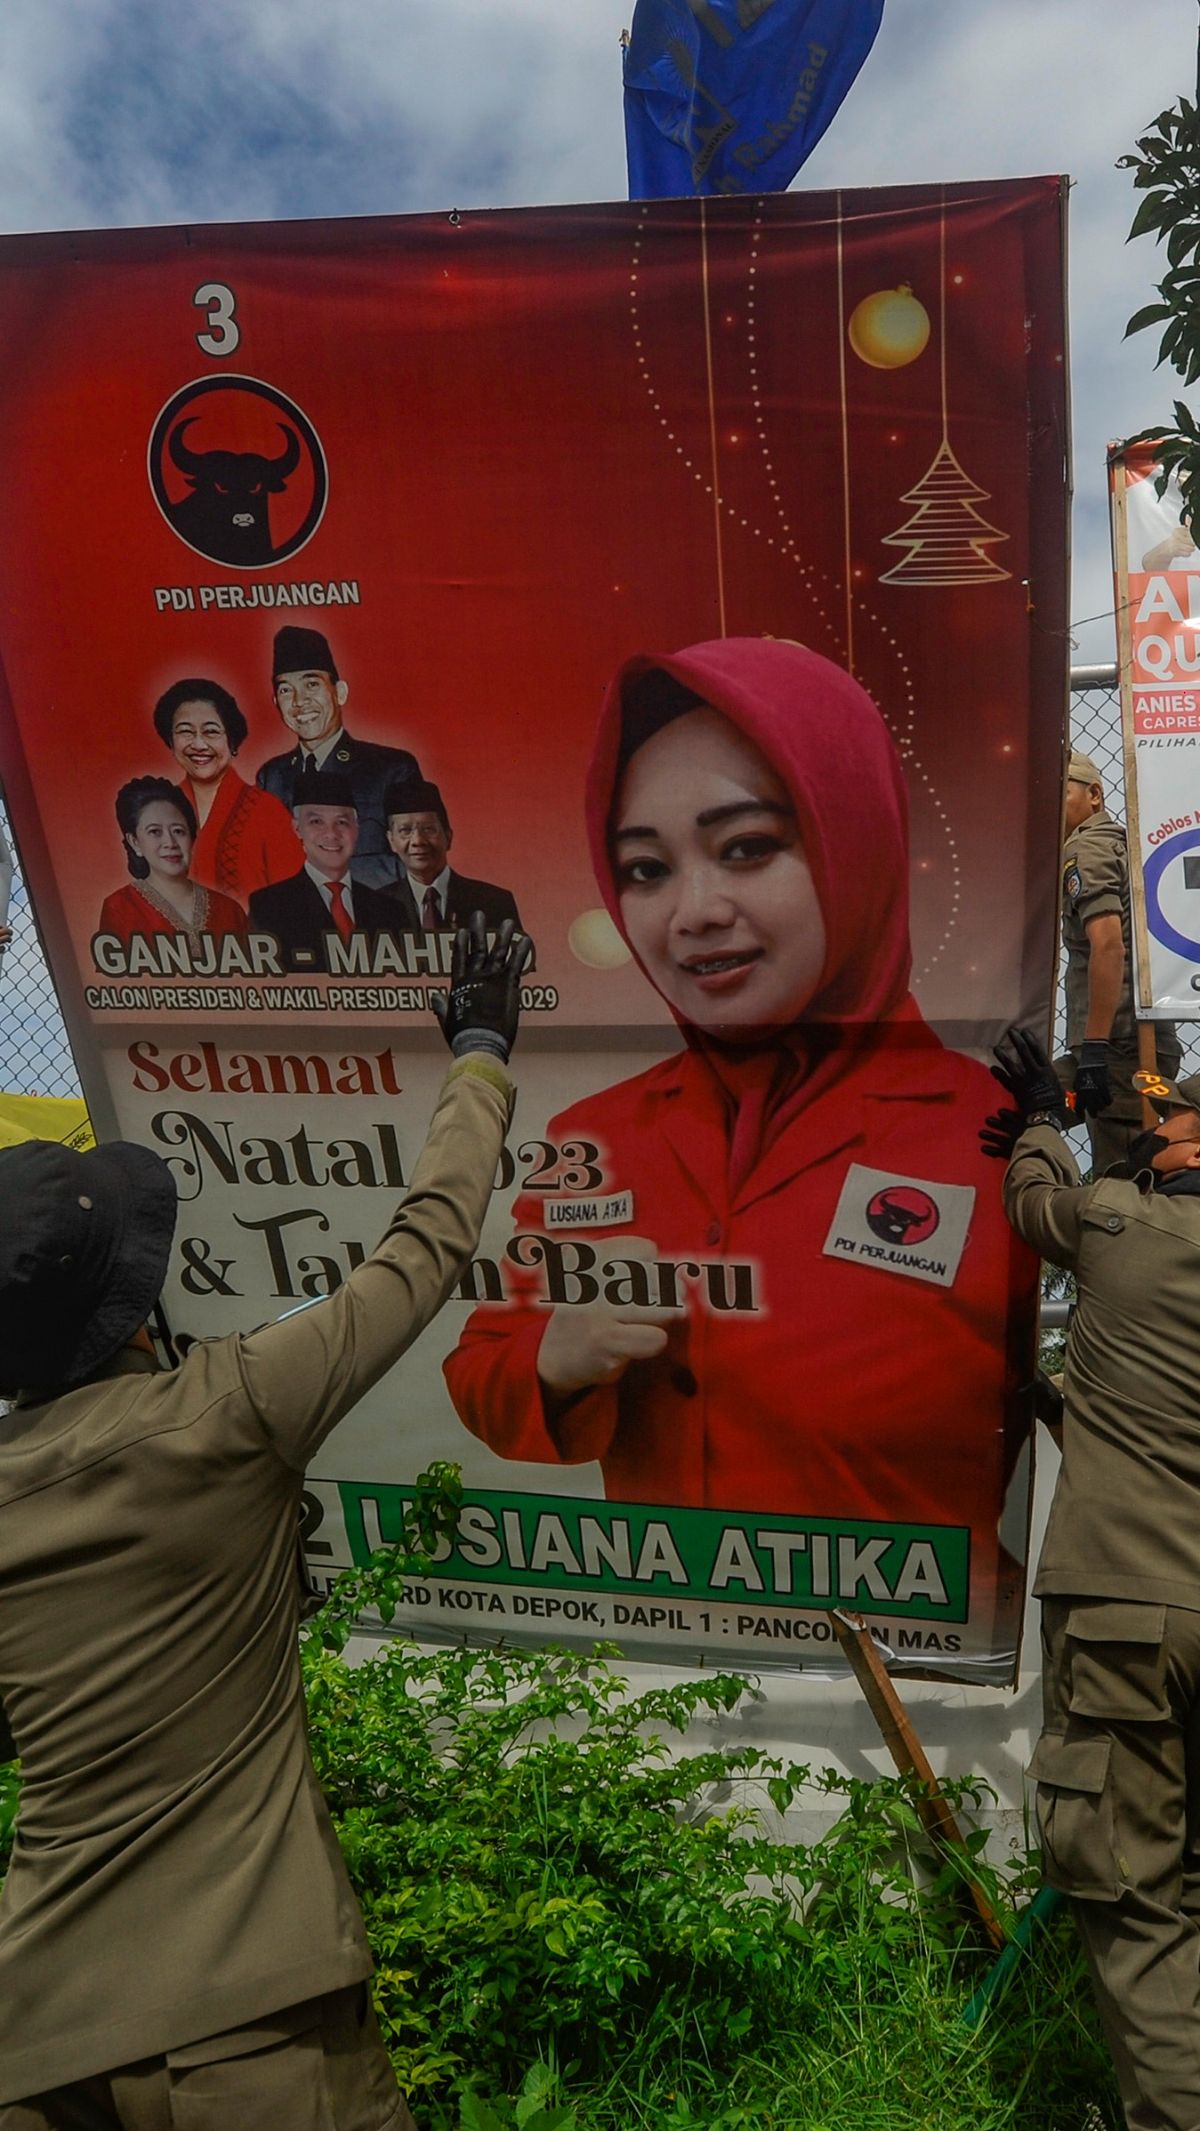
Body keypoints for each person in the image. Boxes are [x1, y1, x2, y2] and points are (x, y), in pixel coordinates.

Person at [0, 919, 531, 2131]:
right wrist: (482, 1053)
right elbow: (425, 1247)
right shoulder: (225, 1412)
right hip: (249, 2026)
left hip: (37, 2035)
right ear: (135, 1311)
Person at [445, 638, 1035, 1572]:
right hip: (671, 1673)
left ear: (856, 843)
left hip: (921, 1690)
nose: (695, 911)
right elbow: (482, 1368)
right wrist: (554, 1358)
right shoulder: (594, 1137)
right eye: (647, 868)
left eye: (747, 847)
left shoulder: (998, 1138)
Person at [990, 1026, 1200, 2131]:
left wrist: (1044, 1115)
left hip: (1129, 1611)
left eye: (1173, 1118)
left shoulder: (1124, 1225)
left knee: (1139, 1904)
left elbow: (1038, 1202)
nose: (1157, 1128)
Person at [1057, 749, 1181, 1174]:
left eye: (1063, 789)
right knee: (1028, 1104)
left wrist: (1094, 1050)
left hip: (1120, 1049)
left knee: (1123, 1180)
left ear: (1094, 794)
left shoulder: (1087, 850)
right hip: (1119, 1045)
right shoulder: (1116, 843)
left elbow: (1108, 945)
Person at [256, 627, 422, 889]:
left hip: (373, 923)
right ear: (276, 702)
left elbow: (417, 862)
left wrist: (318, 874)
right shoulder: (272, 776)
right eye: (286, 690)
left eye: (312, 684)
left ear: (340, 692)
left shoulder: (390, 769)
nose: (299, 702)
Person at [153, 675, 298, 900]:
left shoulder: (268, 811)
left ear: (232, 742)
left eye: (211, 731)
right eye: (185, 732)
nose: (199, 744)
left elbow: (297, 902)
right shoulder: (156, 811)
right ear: (171, 742)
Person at [247, 771, 399, 970]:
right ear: (297, 828)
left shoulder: (391, 910)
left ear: (356, 828)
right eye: (316, 822)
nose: (331, 834)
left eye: (342, 822)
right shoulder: (268, 906)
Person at [96, 778, 247, 951]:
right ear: (135, 842)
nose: (170, 842)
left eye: (178, 831)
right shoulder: (119, 907)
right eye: (155, 832)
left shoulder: (229, 909)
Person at [380, 778, 522, 932]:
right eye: (405, 831)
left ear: (448, 837)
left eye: (428, 829)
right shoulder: (375, 907)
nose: (418, 841)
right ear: (391, 841)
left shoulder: (495, 902)